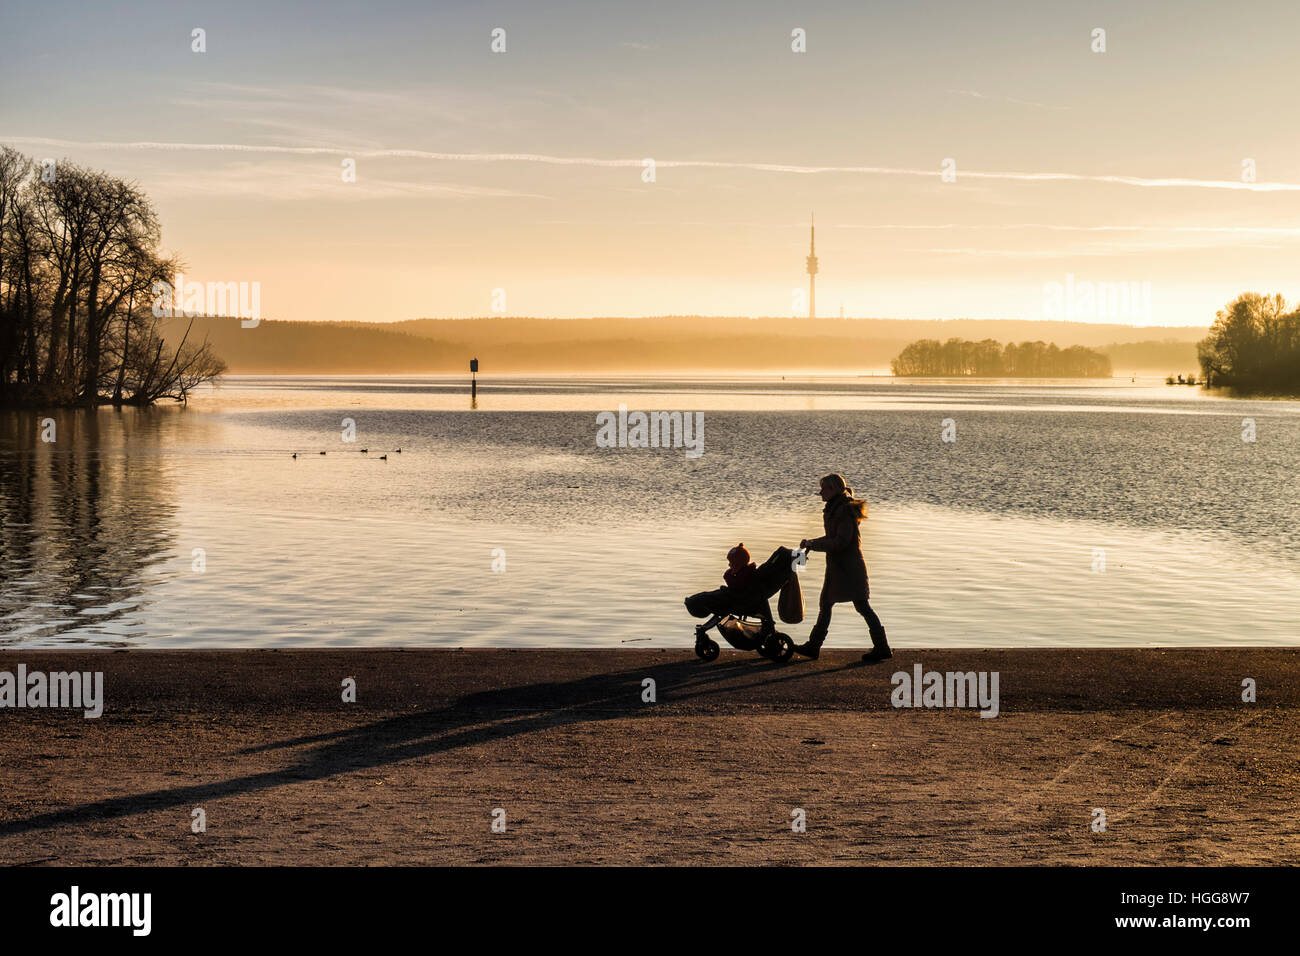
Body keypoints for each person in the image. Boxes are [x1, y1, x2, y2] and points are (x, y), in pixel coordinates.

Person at [796, 473, 892, 662]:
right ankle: (813, 646)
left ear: (833, 489)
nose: (820, 492)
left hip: (850, 568)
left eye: (823, 488)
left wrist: (813, 544)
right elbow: (833, 539)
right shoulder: (834, 508)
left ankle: (882, 647)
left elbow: (840, 542)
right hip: (837, 568)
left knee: (862, 606)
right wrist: (811, 543)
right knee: (826, 603)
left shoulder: (845, 511)